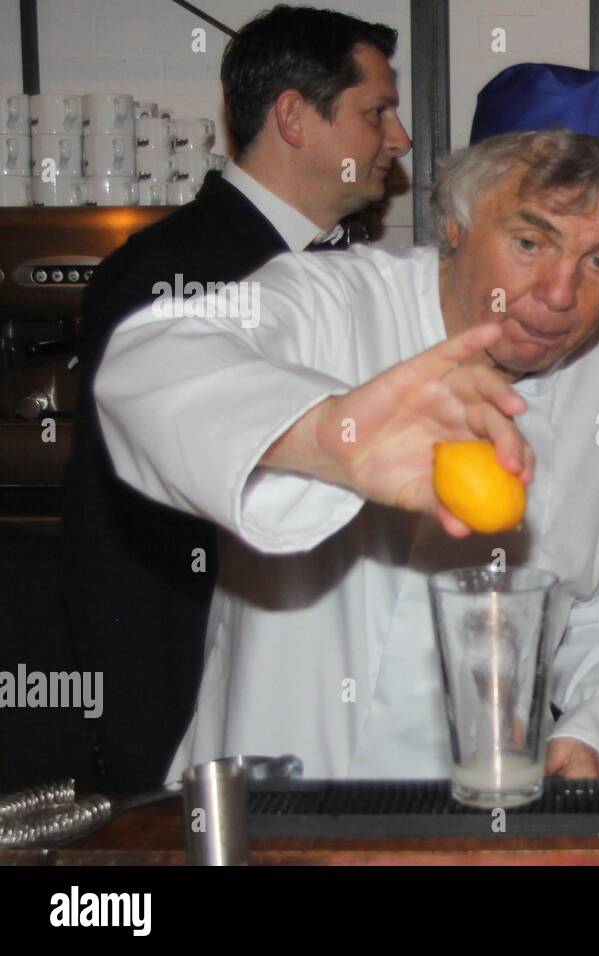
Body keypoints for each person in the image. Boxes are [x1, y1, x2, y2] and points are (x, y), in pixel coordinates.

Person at [93, 64, 599, 782]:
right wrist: (329, 435)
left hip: (479, 810)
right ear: (456, 218)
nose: (560, 293)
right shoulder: (329, 298)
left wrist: (593, 729)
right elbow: (146, 366)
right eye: (530, 243)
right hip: (276, 796)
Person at [60, 5, 412, 793]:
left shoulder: (344, 271)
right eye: (377, 112)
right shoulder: (175, 272)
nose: (400, 139)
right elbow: (118, 545)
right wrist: (151, 761)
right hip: (190, 723)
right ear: (294, 115)